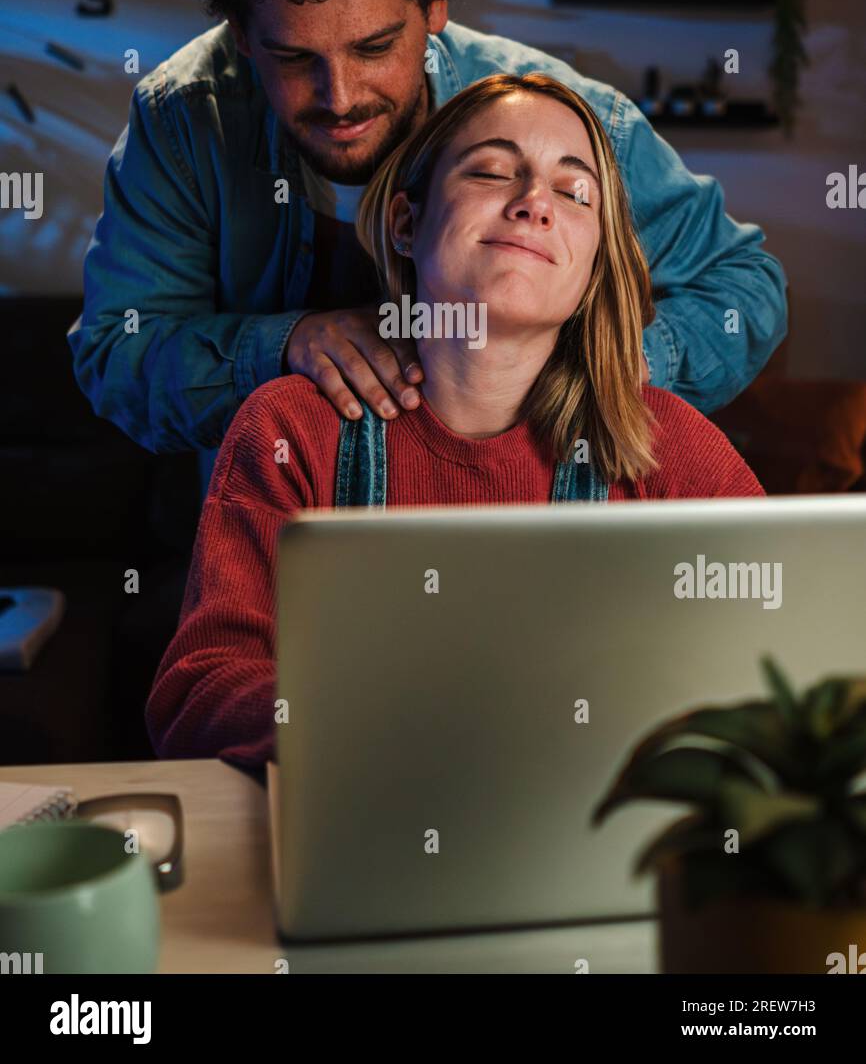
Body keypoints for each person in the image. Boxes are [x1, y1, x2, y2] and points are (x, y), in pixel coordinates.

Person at [68, 0, 786, 482]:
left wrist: (612, 366)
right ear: (239, 33)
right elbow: (117, 355)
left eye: (374, 47)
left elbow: (746, 289)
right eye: (293, 59)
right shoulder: (184, 118)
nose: (340, 96)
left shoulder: (569, 122)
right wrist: (282, 345)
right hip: (281, 532)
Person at [145, 73, 764, 769]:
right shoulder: (292, 432)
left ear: (593, 269)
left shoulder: (668, 447)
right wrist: (388, 725)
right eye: (494, 172)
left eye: (572, 191)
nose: (534, 203)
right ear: (407, 225)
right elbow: (200, 693)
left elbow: (781, 656)